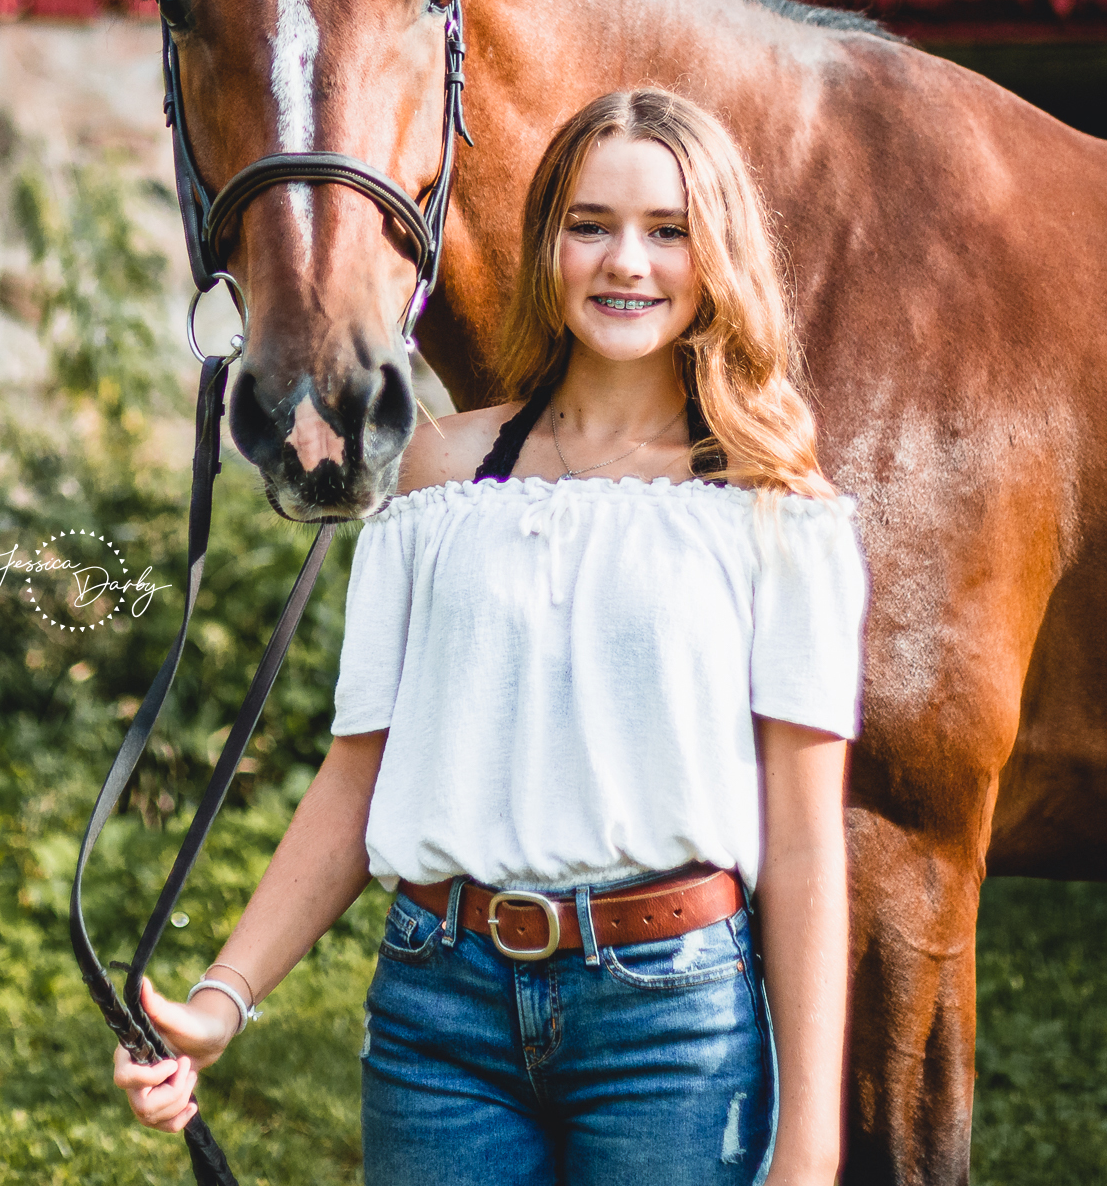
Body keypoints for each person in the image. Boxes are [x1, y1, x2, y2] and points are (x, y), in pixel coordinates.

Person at [115, 89, 866, 1186]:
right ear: (546, 242)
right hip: (439, 1012)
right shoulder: (436, 476)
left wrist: (808, 1139)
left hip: (674, 1024)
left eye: (668, 230)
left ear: (718, 256)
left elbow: (803, 841)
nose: (627, 262)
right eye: (591, 224)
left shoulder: (774, 511)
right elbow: (355, 777)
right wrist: (224, 996)